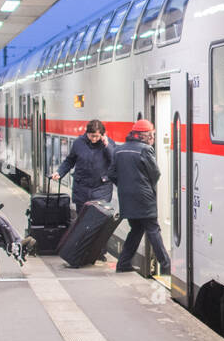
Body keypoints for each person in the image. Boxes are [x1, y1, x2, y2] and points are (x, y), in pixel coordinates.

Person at [111, 118, 169, 276]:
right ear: (146, 136)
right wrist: (146, 186)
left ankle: (123, 263)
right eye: (152, 135)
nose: (153, 139)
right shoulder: (145, 150)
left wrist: (125, 187)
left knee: (136, 229)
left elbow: (111, 174)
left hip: (126, 197)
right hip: (143, 197)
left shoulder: (119, 149)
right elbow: (155, 173)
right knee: (153, 229)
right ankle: (166, 265)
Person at [51, 119, 116, 206]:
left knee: (98, 217)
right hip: (81, 188)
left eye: (97, 136)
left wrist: (107, 145)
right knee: (82, 217)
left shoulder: (109, 144)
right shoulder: (78, 143)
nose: (94, 139)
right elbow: (70, 160)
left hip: (101, 189)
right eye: (91, 136)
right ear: (87, 133)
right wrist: (59, 172)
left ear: (103, 134)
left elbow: (115, 160)